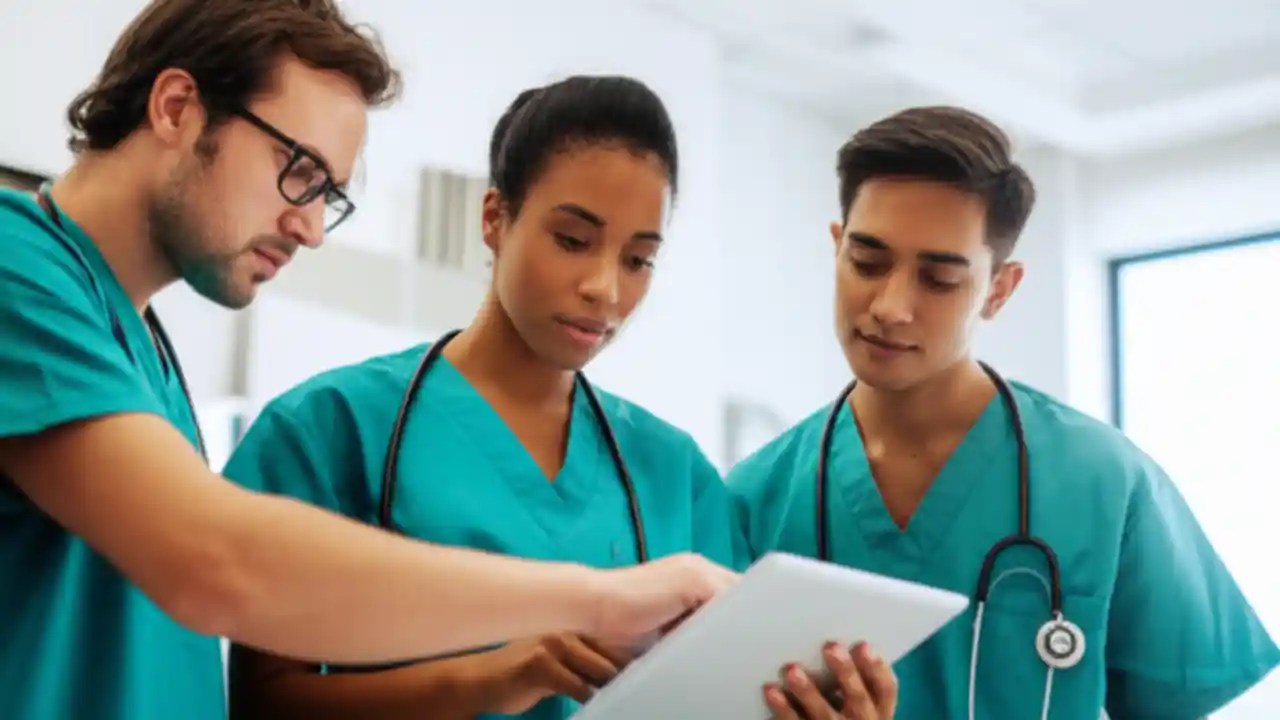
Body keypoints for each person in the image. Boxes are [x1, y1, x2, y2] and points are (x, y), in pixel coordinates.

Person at [0, 4, 737, 720]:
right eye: (298, 170)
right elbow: (219, 566)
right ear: (175, 106)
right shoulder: (17, 266)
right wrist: (599, 599)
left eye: (329, 195)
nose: (311, 227)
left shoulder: (137, 346)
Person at [220, 75, 896, 720]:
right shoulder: (331, 433)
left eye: (638, 260)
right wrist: (499, 676)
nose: (605, 288)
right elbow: (264, 703)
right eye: (573, 241)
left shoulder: (673, 477)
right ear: (495, 218)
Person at [727, 105, 1280, 719]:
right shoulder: (753, 500)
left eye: (938, 279)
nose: (889, 305)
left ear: (999, 289)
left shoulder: (1104, 482)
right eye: (867, 262)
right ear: (837, 249)